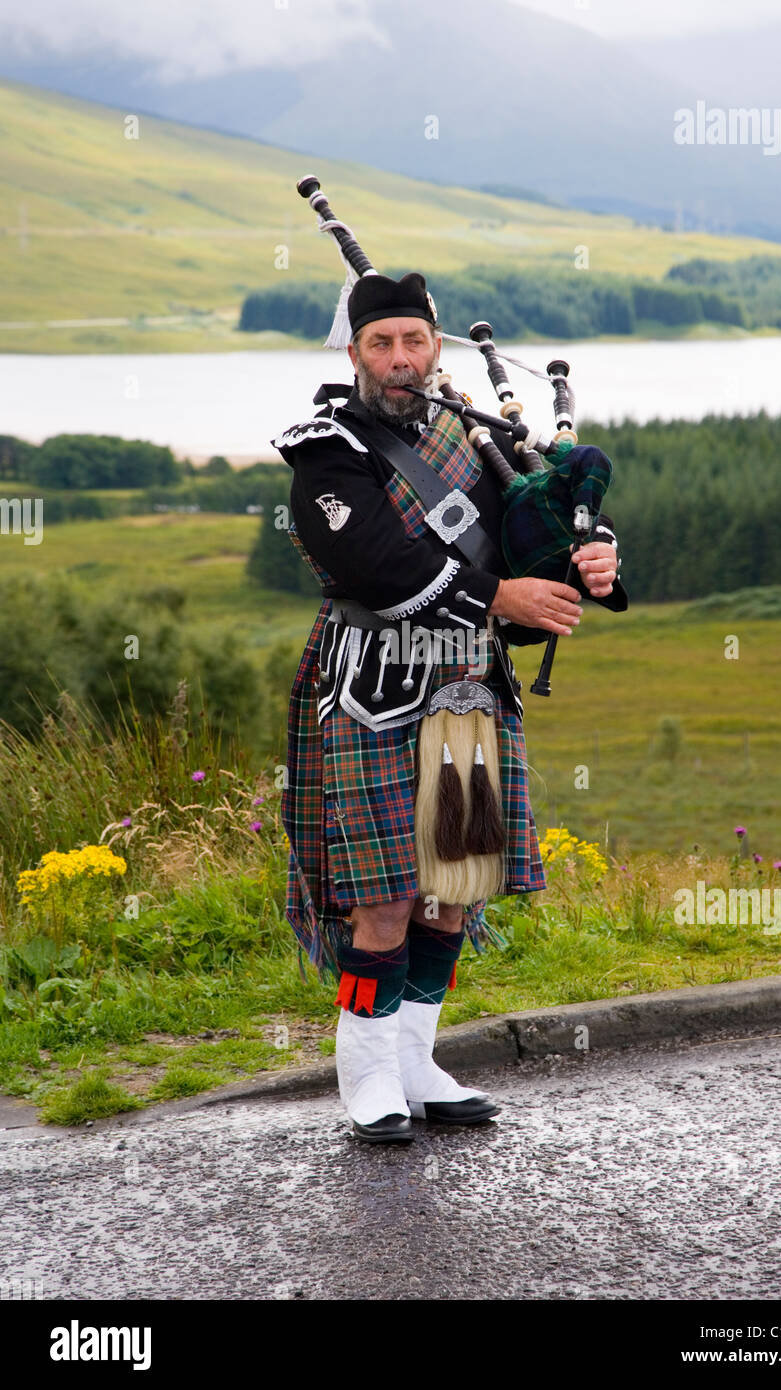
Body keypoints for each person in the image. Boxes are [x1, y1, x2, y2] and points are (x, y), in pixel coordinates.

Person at [273, 271, 624, 1142]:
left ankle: (418, 1062)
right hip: (372, 690)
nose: (400, 360)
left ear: (436, 348)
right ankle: (366, 1075)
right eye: (381, 344)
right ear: (354, 352)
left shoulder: (476, 437)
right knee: (384, 894)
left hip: (468, 689)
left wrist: (599, 558)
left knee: (453, 889)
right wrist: (504, 599)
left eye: (414, 342)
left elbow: (536, 530)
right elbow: (376, 567)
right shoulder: (327, 448)